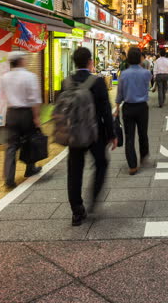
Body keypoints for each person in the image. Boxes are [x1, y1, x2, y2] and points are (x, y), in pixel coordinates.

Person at [64, 47, 116, 226]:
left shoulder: (67, 82)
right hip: (95, 133)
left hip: (74, 133)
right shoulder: (97, 82)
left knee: (74, 171)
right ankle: (93, 199)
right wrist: (112, 134)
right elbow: (106, 111)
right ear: (89, 61)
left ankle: (77, 211)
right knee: (101, 163)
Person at [0, 51, 43, 189]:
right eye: (24, 58)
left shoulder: (4, 77)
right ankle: (30, 168)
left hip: (11, 113)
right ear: (20, 61)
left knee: (11, 146)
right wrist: (36, 117)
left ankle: (9, 178)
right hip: (26, 113)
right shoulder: (30, 76)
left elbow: (3, 95)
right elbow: (35, 99)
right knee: (30, 141)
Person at [114, 47, 152, 175]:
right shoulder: (146, 73)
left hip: (128, 107)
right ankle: (144, 157)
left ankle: (132, 166)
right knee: (143, 134)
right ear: (140, 58)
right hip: (142, 107)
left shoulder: (124, 74)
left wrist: (117, 107)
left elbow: (120, 93)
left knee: (129, 137)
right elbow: (147, 87)